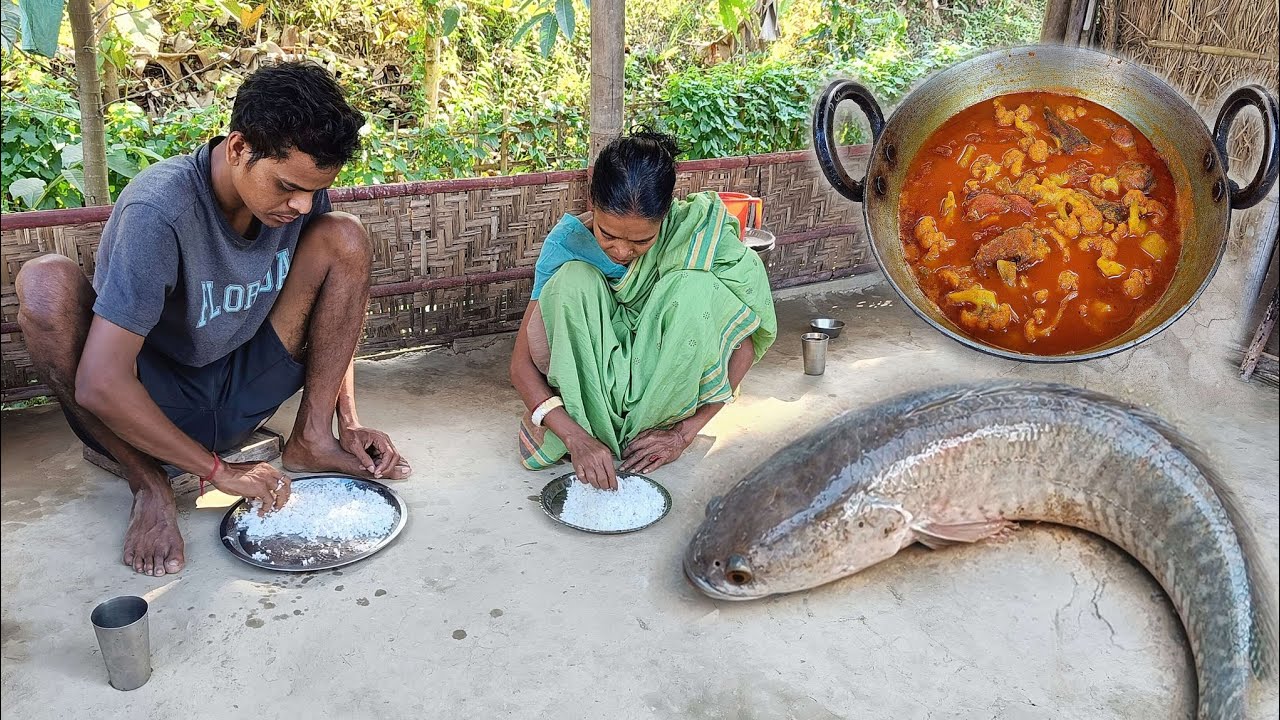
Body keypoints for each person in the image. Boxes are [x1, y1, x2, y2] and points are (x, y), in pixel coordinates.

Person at [14, 61, 413, 577]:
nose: (301, 204)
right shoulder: (159, 209)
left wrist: (349, 421)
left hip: (243, 386)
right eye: (288, 185)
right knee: (45, 282)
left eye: (314, 189)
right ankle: (149, 483)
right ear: (239, 147)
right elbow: (100, 384)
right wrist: (218, 472)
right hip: (154, 404)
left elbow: (328, 313)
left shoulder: (301, 198)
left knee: (346, 235)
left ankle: (312, 438)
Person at [510, 130, 777, 490]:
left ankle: (648, 428)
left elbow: (742, 344)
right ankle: (598, 428)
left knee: (693, 287)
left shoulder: (694, 236)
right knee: (572, 280)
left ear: (666, 215)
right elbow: (521, 364)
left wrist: (683, 435)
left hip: (666, 407)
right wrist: (575, 437)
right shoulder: (567, 244)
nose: (621, 251)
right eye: (608, 235)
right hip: (587, 404)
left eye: (641, 241)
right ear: (592, 200)